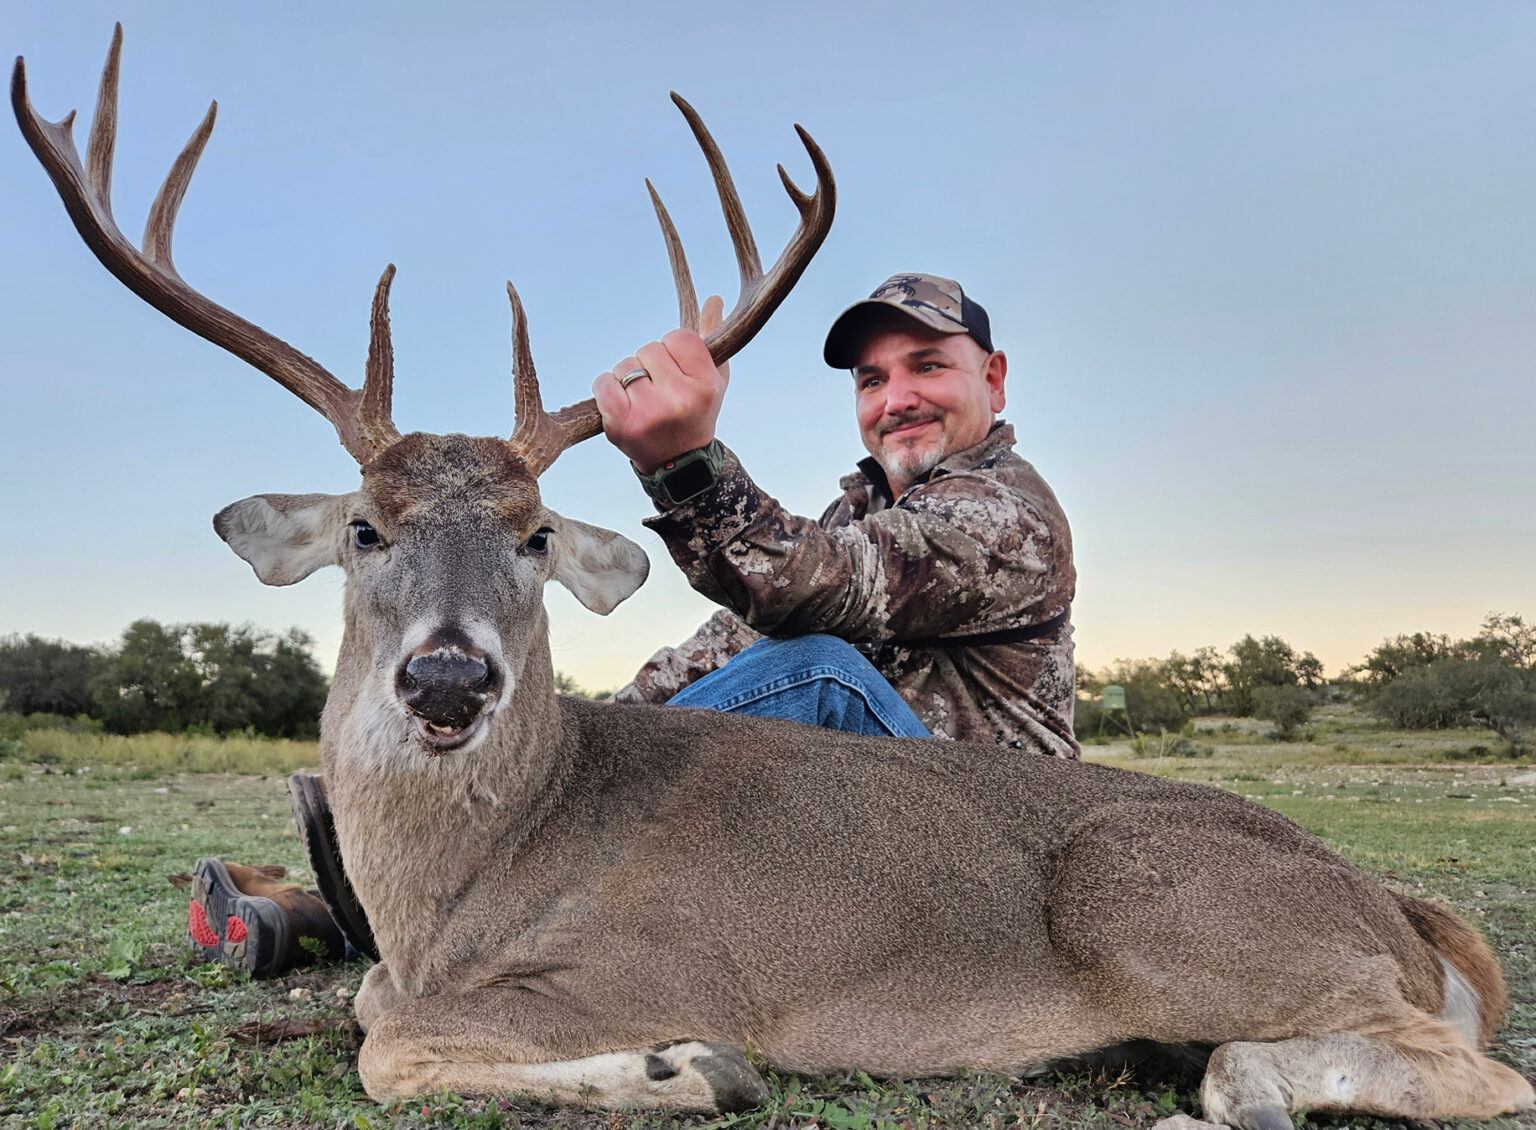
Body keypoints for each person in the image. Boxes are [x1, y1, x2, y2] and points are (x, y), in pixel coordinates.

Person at [184, 273, 1078, 974]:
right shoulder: (859, 516)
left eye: (930, 367)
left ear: (992, 380)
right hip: (855, 825)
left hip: (998, 835)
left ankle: (381, 920)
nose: (898, 397)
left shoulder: (1009, 514)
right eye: (874, 378)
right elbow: (730, 646)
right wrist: (560, 756)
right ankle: (363, 914)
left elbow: (813, 600)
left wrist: (685, 463)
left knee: (817, 671)